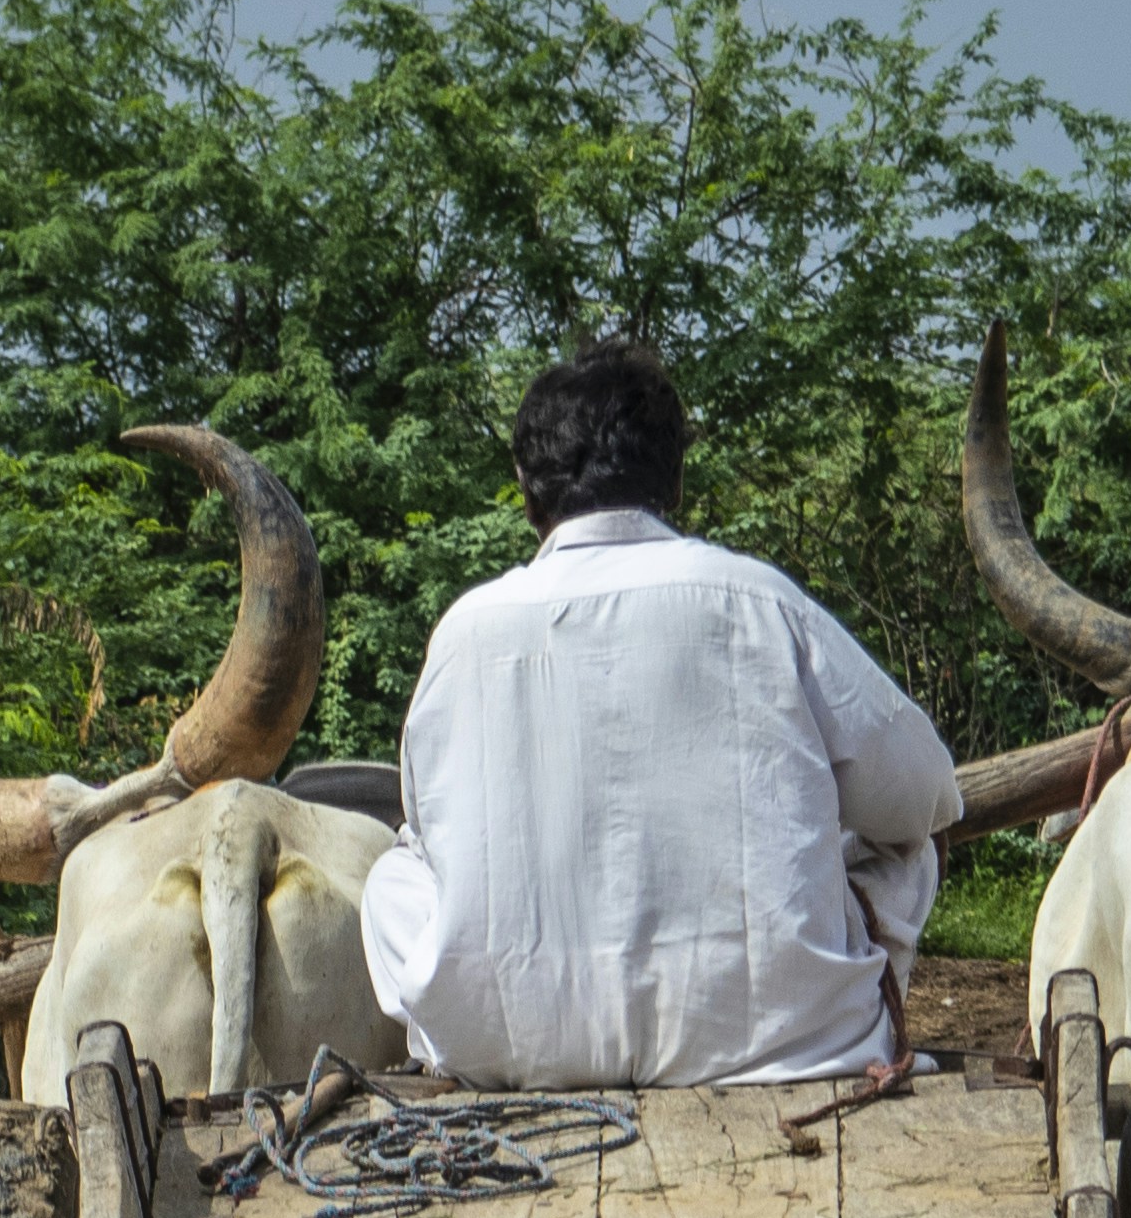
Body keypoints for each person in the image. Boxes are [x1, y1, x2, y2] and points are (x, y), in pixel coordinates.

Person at [356, 336, 960, 1089]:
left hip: (507, 1049)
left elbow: (432, 831)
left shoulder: (465, 632)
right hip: (783, 1043)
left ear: (527, 491)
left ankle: (487, 1037)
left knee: (392, 878)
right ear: (672, 479)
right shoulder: (757, 600)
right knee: (906, 848)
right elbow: (927, 795)